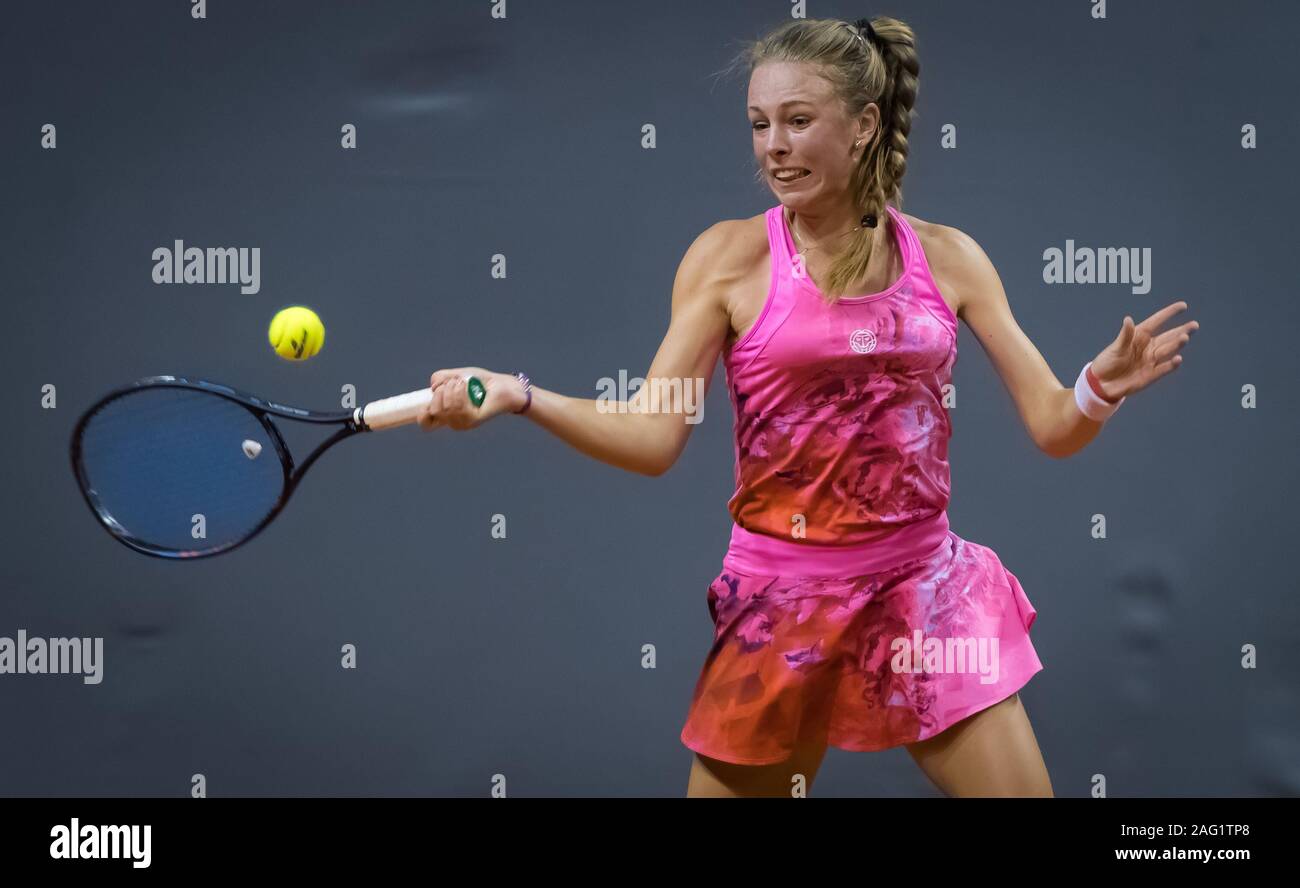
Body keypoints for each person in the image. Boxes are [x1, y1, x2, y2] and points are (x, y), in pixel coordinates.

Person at [417, 16, 1198, 797]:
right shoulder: (727, 260)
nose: (773, 147)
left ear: (862, 127)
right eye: (759, 125)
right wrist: (517, 395)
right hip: (781, 608)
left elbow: (1053, 426)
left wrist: (1097, 388)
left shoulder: (949, 257)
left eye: (797, 121)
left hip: (925, 592)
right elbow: (653, 435)